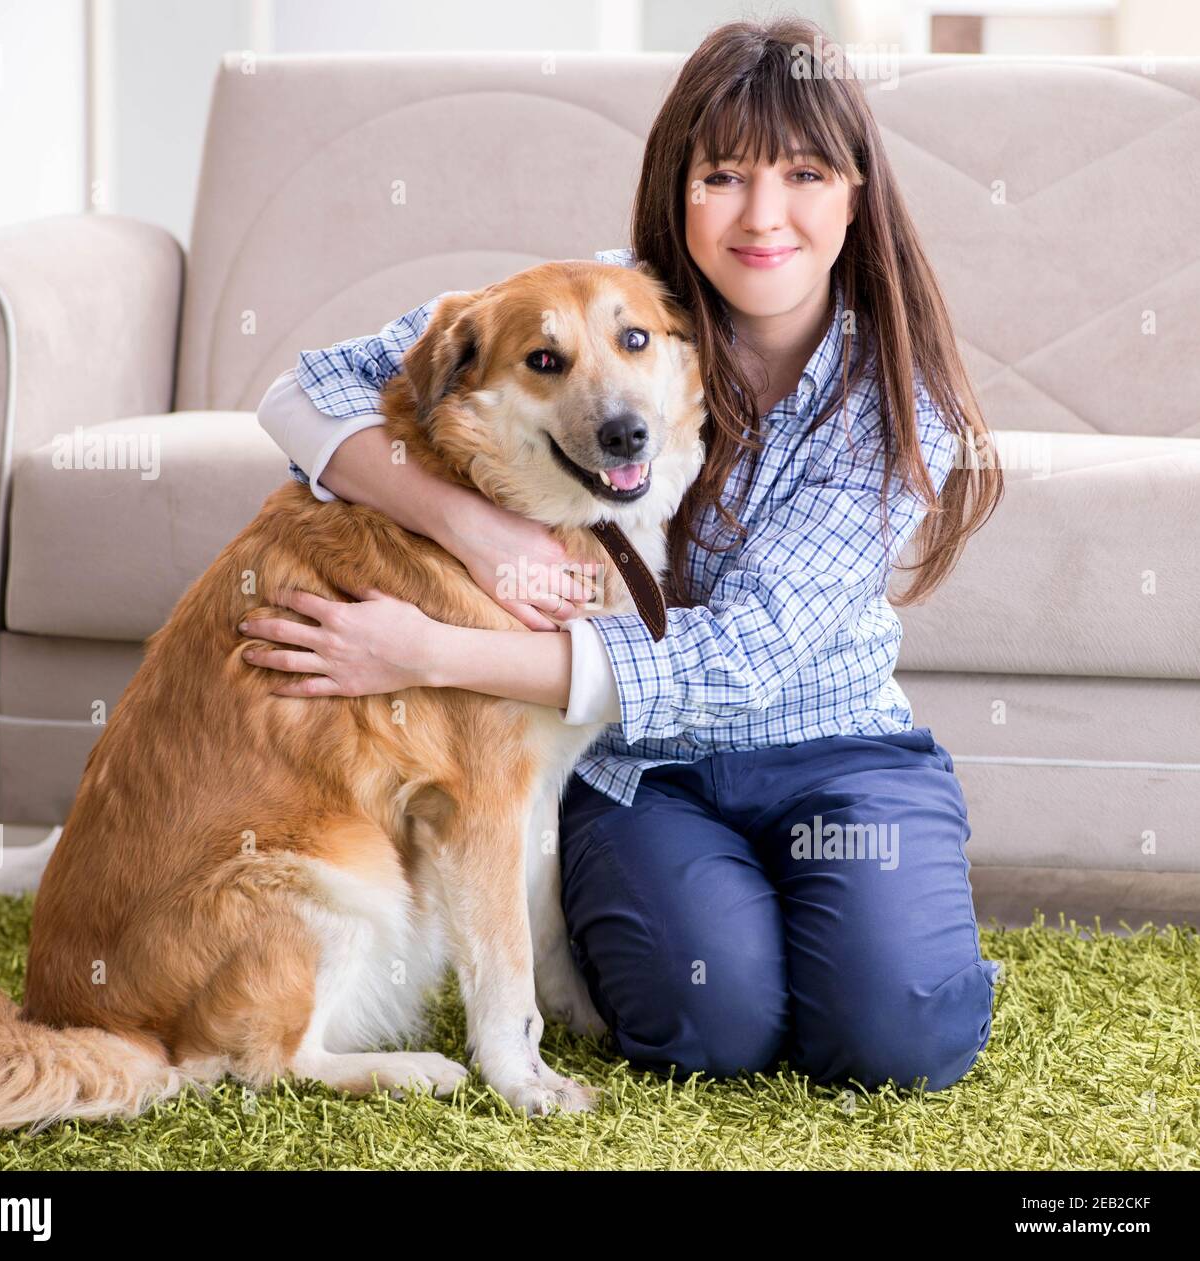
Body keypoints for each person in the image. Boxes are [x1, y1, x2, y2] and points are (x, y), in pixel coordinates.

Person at [249, 17, 1006, 1092]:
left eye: (802, 173)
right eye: (723, 175)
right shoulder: (596, 297)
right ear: (674, 186)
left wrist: (428, 651)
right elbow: (301, 390)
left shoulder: (894, 404)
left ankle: (874, 939)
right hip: (641, 769)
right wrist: (476, 526)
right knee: (708, 1026)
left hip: (833, 752)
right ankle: (749, 927)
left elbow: (746, 656)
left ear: (855, 193)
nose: (762, 215)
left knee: (899, 1039)